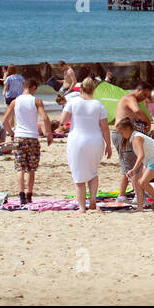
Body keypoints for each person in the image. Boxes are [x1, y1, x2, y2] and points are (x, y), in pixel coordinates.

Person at [60, 78, 111, 211]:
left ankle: (82, 207)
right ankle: (93, 200)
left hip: (77, 141)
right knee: (93, 172)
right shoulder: (98, 104)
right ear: (93, 90)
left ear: (80, 89)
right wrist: (109, 145)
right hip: (96, 141)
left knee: (79, 175)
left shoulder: (73, 102)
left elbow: (63, 120)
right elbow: (105, 128)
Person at [1, 76, 51, 207]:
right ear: (33, 88)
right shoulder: (36, 101)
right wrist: (49, 133)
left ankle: (21, 195)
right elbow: (45, 118)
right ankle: (29, 195)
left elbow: (4, 121)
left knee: (20, 169)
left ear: (23, 87)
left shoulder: (14, 102)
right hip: (32, 137)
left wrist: (12, 134)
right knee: (31, 169)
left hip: (19, 137)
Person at [111, 82, 154, 199]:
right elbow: (137, 111)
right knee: (133, 167)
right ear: (139, 90)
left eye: (147, 97)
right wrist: (148, 122)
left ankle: (122, 195)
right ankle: (138, 195)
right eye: (144, 95)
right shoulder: (130, 99)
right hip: (121, 134)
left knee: (126, 166)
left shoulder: (133, 100)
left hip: (122, 134)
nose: (144, 98)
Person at [114, 118, 154, 211]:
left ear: (127, 129)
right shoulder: (133, 137)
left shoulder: (136, 138)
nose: (121, 135)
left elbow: (141, 155)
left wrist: (133, 169)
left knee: (143, 182)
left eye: (121, 132)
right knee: (140, 183)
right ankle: (140, 207)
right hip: (150, 160)